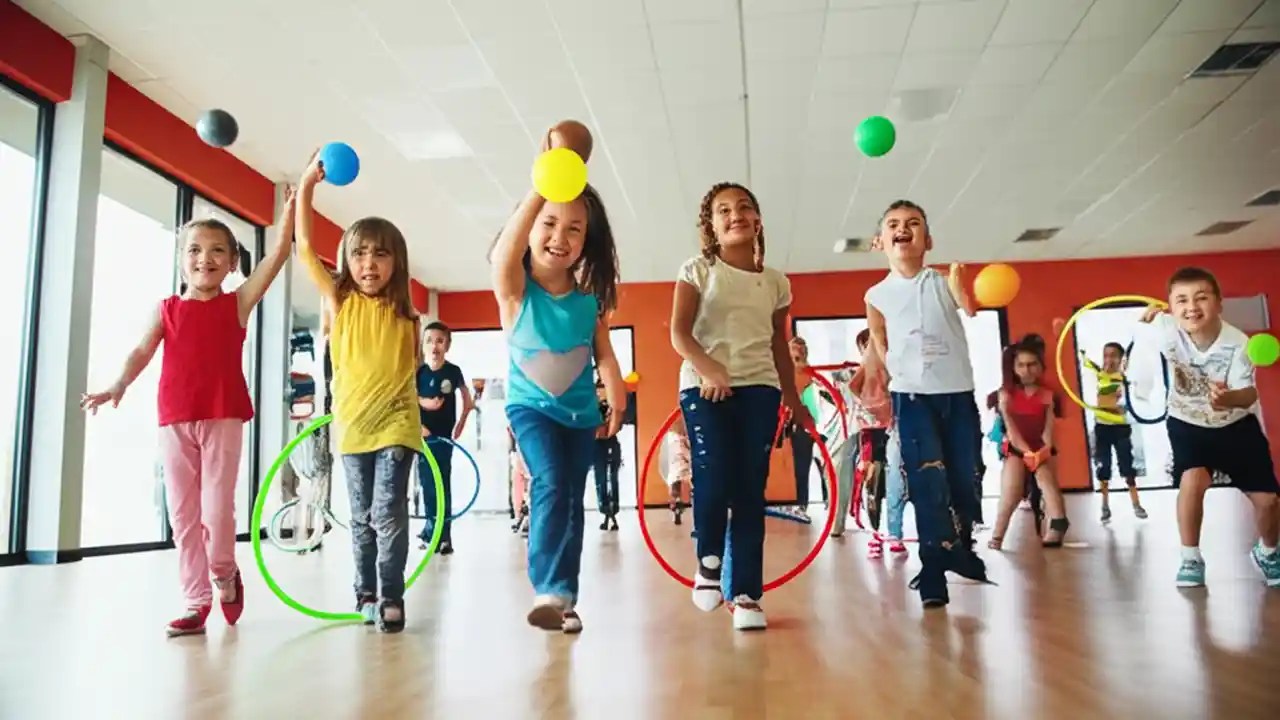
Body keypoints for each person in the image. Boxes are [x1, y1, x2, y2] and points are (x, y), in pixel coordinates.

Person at [81, 190, 297, 637]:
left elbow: (276, 258)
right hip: (175, 420)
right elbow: (142, 349)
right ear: (182, 259)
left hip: (223, 416)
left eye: (218, 250)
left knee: (216, 513)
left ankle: (224, 572)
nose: (205, 258)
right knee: (183, 515)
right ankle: (196, 601)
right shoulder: (167, 310)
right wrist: (117, 384)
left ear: (233, 263)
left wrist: (291, 211)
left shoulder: (236, 304)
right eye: (195, 250)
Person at [490, 122, 626, 634]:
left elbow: (605, 355)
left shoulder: (588, 295)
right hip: (531, 409)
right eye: (548, 223)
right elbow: (504, 254)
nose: (559, 237)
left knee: (573, 498)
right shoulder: (515, 291)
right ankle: (546, 586)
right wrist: (543, 183)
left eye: (574, 229)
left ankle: (564, 596)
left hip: (579, 414)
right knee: (549, 481)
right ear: (530, 227)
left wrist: (617, 397)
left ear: (587, 241)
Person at [670, 181, 811, 631]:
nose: (735, 215)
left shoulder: (776, 283)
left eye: (744, 207)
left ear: (758, 219)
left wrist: (794, 401)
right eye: (723, 210)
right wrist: (710, 369)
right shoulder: (698, 270)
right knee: (712, 480)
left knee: (750, 491)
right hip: (704, 386)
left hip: (760, 389)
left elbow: (777, 342)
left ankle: (747, 594)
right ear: (711, 226)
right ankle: (709, 566)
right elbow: (679, 334)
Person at [294, 154, 421, 633]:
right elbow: (304, 245)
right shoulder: (337, 301)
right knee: (362, 517)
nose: (369, 263)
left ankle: (392, 594)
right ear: (348, 259)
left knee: (388, 511)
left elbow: (404, 371)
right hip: (350, 428)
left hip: (396, 425)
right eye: (360, 253)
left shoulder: (408, 317)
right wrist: (307, 184)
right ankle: (364, 591)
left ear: (397, 262)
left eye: (381, 253)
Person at [864, 199, 990, 608]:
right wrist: (898, 374)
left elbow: (970, 309)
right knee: (925, 478)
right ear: (879, 241)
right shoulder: (876, 293)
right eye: (894, 225)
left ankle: (961, 546)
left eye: (914, 223)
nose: (904, 229)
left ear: (927, 239)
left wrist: (960, 289)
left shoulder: (941, 282)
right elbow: (879, 340)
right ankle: (933, 568)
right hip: (912, 396)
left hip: (957, 391)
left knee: (965, 474)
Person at [1139, 267, 1279, 588]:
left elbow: (1249, 395)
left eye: (1201, 298)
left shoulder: (1238, 343)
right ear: (1170, 308)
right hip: (1187, 423)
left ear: (1219, 303)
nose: (1192, 307)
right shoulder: (1163, 329)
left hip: (1236, 425)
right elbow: (1139, 350)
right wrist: (1143, 324)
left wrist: (1229, 398)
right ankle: (1191, 558)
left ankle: (1268, 552)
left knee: (1269, 502)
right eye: (1182, 300)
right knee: (1192, 480)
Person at [988, 335, 1069, 549]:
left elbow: (1048, 429)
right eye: (1021, 365)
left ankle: (1058, 523)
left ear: (1041, 366)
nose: (1027, 370)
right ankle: (997, 535)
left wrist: (1043, 451)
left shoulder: (1047, 395)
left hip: (1041, 447)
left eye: (1032, 364)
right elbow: (1011, 432)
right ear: (1013, 368)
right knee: (1011, 491)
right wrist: (1026, 453)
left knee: (1046, 478)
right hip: (1015, 448)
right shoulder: (1005, 394)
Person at [416, 321, 475, 553]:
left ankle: (444, 537)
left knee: (442, 485)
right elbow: (405, 400)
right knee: (427, 486)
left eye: (440, 341)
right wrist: (422, 409)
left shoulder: (453, 371)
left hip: (444, 439)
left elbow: (468, 400)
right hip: (423, 439)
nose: (434, 346)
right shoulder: (419, 372)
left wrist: (461, 423)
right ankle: (431, 531)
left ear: (447, 345)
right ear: (423, 345)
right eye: (430, 341)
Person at [850, 329, 906, 558]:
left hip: (894, 428)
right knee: (872, 483)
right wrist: (864, 408)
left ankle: (895, 533)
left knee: (896, 481)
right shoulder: (866, 365)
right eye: (865, 344)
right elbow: (853, 387)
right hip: (872, 433)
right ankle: (875, 534)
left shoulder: (895, 362)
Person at [1080, 343, 1147, 521]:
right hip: (1102, 428)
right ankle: (1104, 505)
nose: (1109, 360)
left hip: (1121, 428)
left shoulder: (1126, 378)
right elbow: (1082, 360)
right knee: (1104, 466)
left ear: (1121, 358)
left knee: (1127, 465)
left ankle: (1136, 503)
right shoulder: (1098, 374)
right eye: (1106, 355)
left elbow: (1136, 398)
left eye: (1114, 356)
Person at [786, 337, 824, 521]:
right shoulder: (784, 375)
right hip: (788, 426)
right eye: (794, 350)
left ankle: (804, 503)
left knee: (806, 466)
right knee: (793, 467)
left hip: (809, 427)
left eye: (801, 349)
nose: (798, 353)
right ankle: (791, 502)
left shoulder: (812, 376)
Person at [593, 379, 622, 531]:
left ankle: (612, 511)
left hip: (610, 441)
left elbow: (617, 424)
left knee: (612, 477)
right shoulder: (592, 405)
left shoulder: (614, 404)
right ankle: (605, 511)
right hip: (597, 443)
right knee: (601, 478)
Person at [666, 414, 692, 526]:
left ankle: (676, 505)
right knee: (683, 486)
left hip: (676, 468)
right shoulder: (679, 439)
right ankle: (677, 505)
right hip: (682, 466)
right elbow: (686, 453)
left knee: (675, 486)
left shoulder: (672, 438)